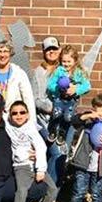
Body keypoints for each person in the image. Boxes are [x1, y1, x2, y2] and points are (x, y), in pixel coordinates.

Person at [7, 101, 58, 202]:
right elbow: (16, 151)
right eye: (15, 113)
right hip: (21, 166)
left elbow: (41, 147)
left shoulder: (31, 128)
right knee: (22, 190)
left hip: (36, 164)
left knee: (52, 189)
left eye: (22, 112)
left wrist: (40, 169)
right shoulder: (8, 126)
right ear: (10, 116)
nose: (19, 116)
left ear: (28, 115)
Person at [46, 44, 92, 152]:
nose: (66, 64)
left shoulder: (79, 73)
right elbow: (50, 85)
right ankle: (53, 130)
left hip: (71, 101)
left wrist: (76, 89)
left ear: (75, 60)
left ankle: (62, 132)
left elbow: (87, 86)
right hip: (59, 99)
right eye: (64, 61)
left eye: (69, 61)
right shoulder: (59, 71)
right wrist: (58, 88)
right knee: (56, 114)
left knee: (68, 117)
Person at [32, 36, 63, 183]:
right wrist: (52, 108)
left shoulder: (66, 69)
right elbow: (35, 99)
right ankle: (46, 193)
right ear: (43, 52)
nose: (51, 52)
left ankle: (52, 196)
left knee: (62, 155)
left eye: (54, 48)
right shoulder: (39, 72)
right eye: (48, 49)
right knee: (55, 153)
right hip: (45, 121)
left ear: (59, 50)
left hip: (64, 121)